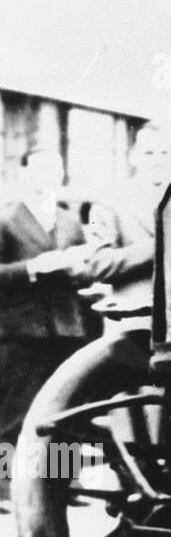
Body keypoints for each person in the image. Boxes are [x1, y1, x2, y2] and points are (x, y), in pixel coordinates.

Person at [0, 147, 93, 511]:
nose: (46, 177)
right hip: (23, 331)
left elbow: (86, 268)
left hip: (68, 328)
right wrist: (33, 268)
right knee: (14, 411)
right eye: (38, 170)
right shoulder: (7, 220)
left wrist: (79, 269)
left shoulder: (71, 222)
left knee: (67, 410)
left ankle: (63, 485)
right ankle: (3, 487)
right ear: (25, 174)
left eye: (53, 169)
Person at [78, 120, 171, 313]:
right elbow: (98, 264)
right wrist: (158, 246)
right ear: (133, 157)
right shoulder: (109, 202)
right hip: (136, 318)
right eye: (148, 153)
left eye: (165, 153)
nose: (157, 161)